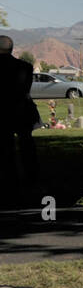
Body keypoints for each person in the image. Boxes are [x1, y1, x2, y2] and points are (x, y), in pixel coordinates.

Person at [0, 35, 39, 199]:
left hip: (1, 114)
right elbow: (25, 91)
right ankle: (32, 179)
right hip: (21, 112)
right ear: (12, 48)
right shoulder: (25, 67)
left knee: (5, 148)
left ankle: (10, 182)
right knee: (27, 147)